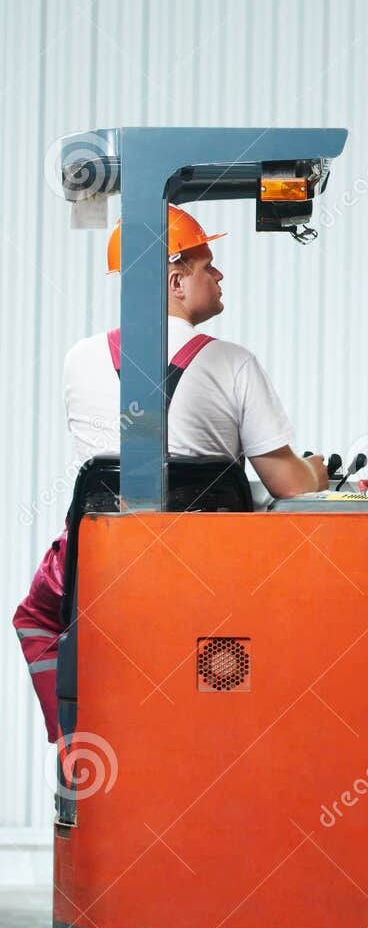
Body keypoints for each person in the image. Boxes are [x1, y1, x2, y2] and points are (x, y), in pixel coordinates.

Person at [12, 205, 328, 739]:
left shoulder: (78, 358)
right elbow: (289, 486)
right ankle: (220, 734)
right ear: (176, 280)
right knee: (239, 647)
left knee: (36, 619)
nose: (220, 275)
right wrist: (316, 470)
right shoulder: (233, 363)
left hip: (104, 575)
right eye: (209, 265)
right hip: (213, 578)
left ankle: (78, 740)